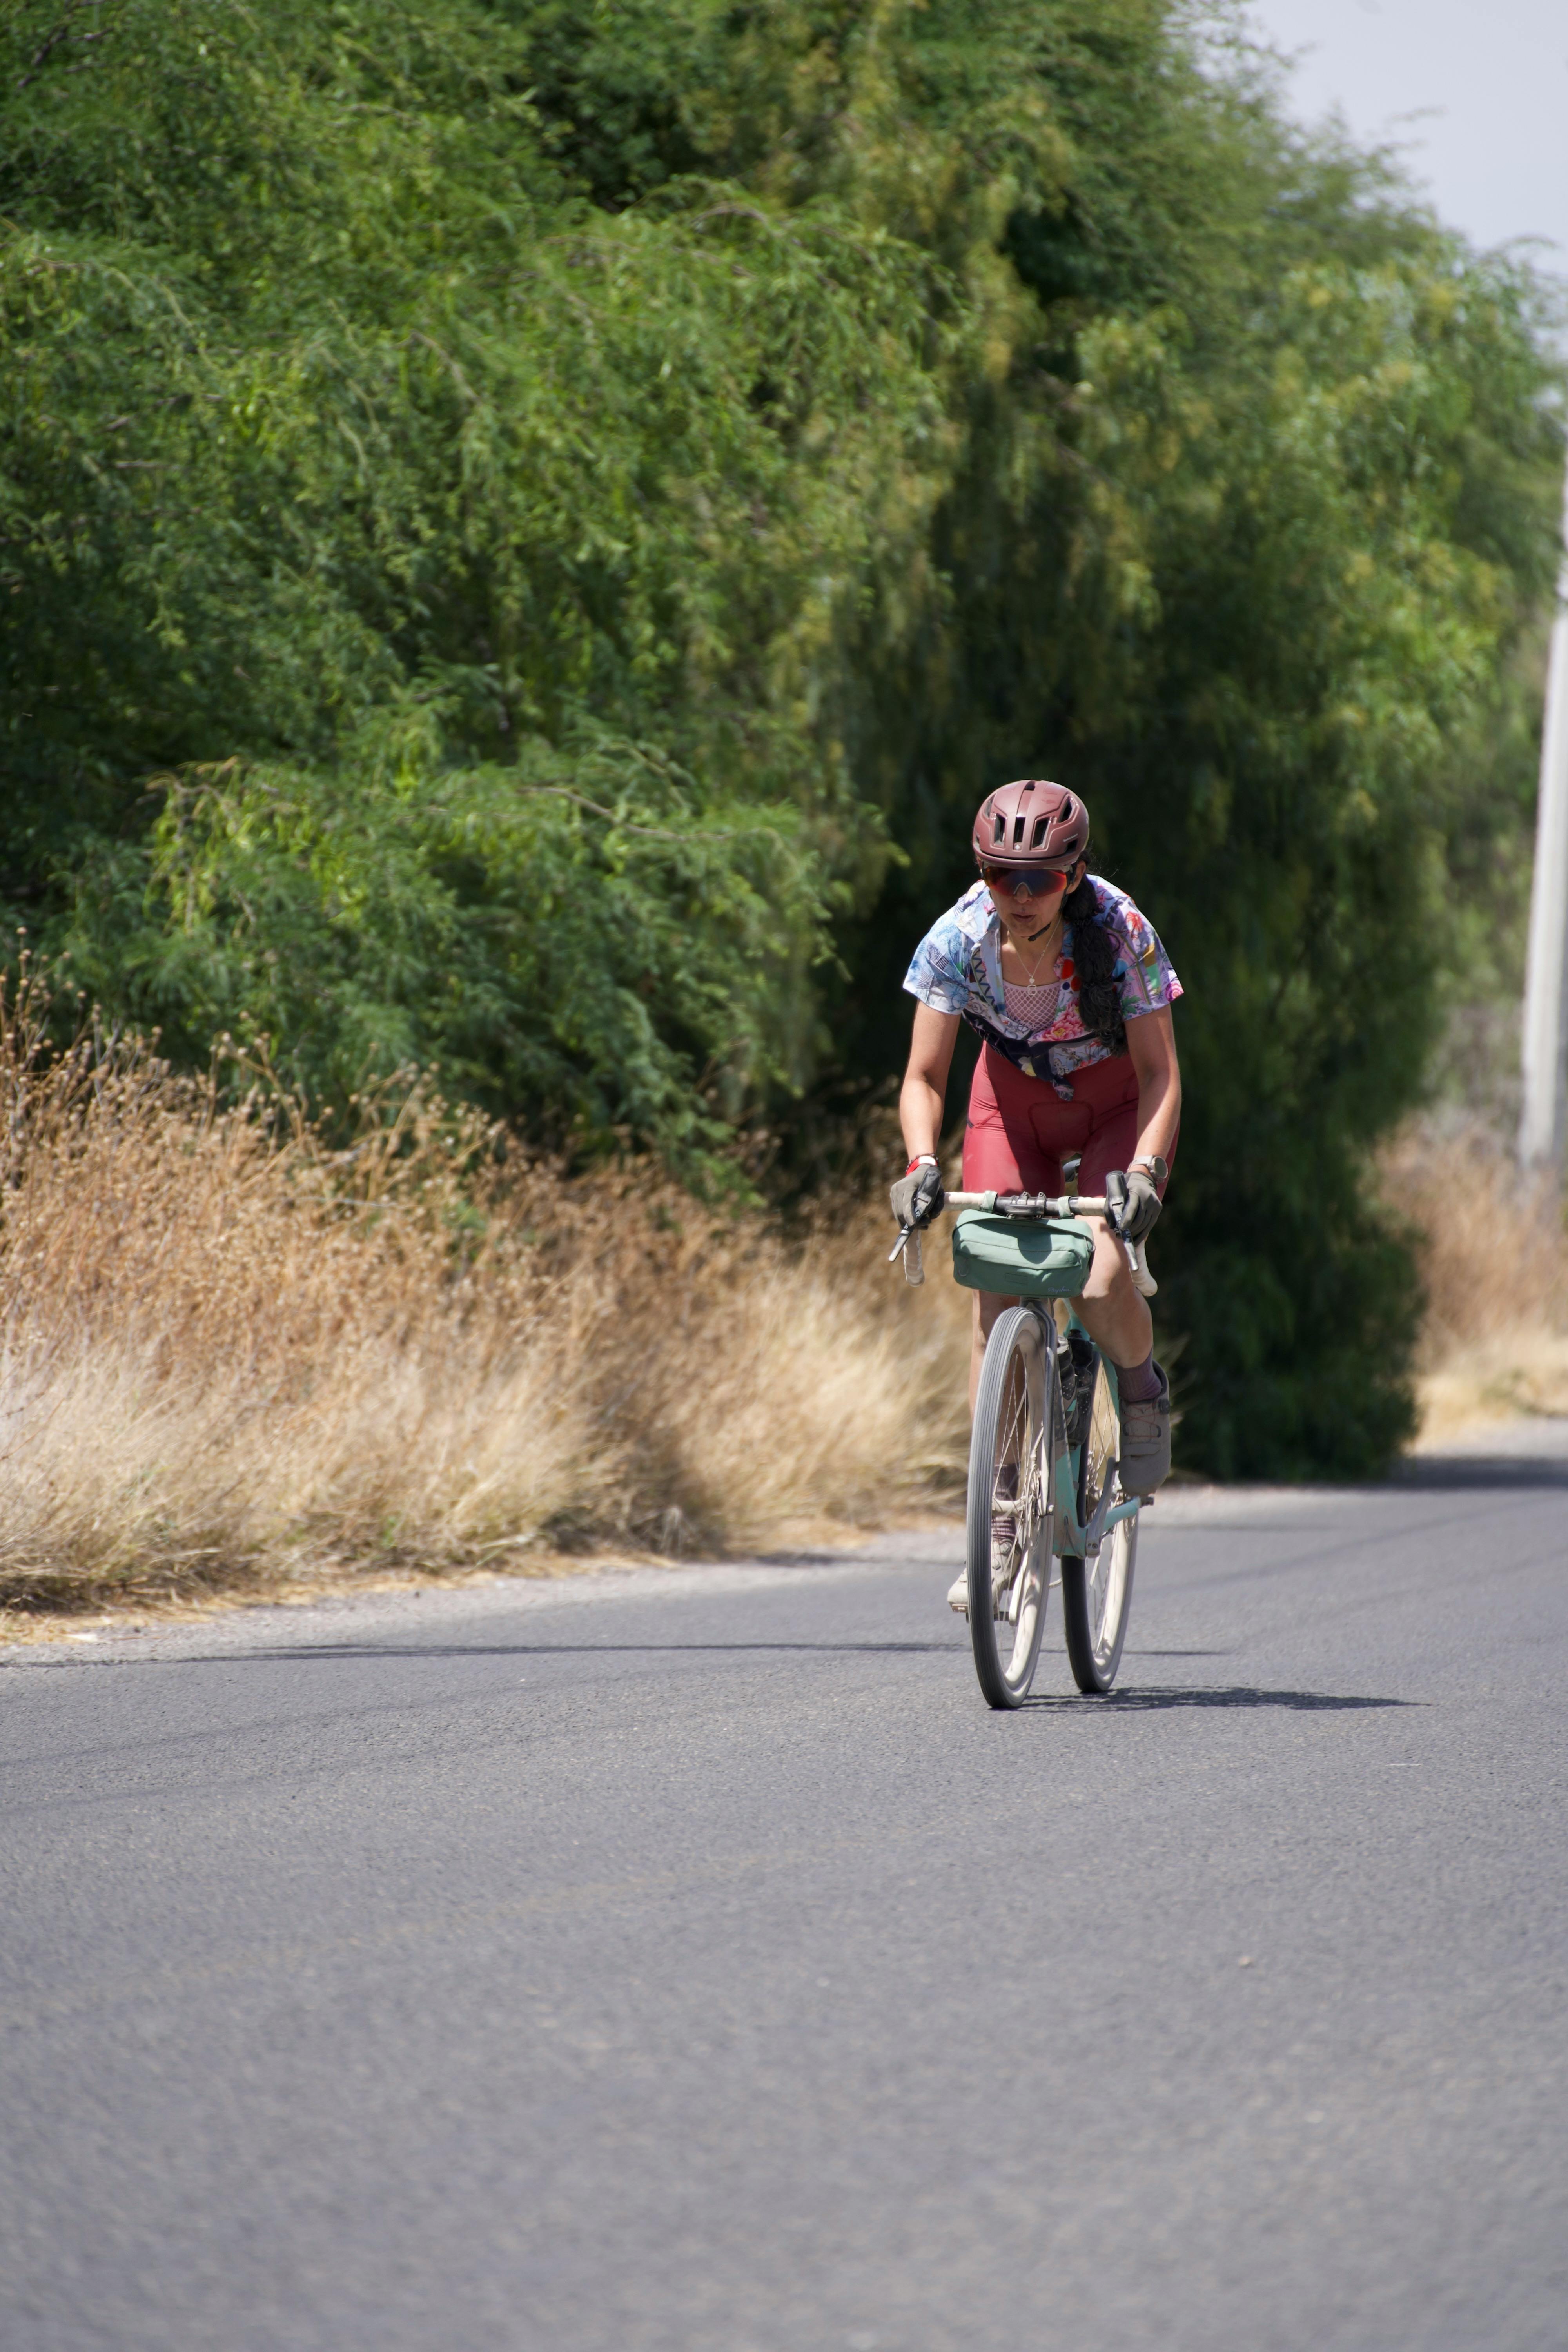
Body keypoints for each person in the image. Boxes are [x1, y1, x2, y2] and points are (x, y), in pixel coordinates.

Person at [890, 779, 1181, 1595]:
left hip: (1113, 1109)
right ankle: (1003, 1516)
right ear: (980, 875)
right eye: (999, 877)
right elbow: (921, 1076)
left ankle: (1137, 1385)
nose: (1017, 898)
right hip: (1007, 1110)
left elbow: (1161, 1074)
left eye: (1039, 881)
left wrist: (1145, 1176)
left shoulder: (1120, 931)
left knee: (1097, 1275)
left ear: (1074, 876)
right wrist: (919, 1166)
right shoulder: (956, 939)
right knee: (994, 1285)